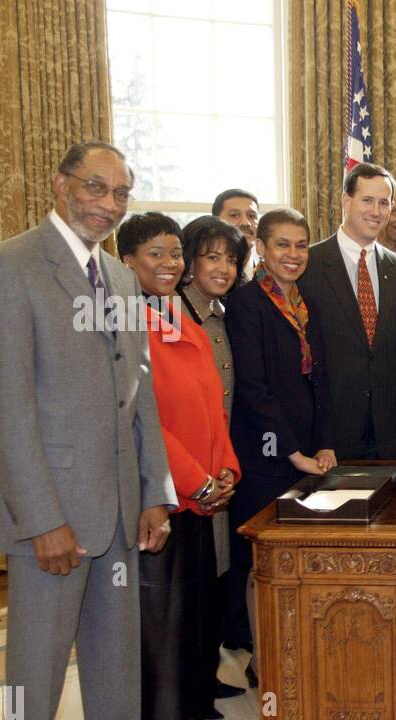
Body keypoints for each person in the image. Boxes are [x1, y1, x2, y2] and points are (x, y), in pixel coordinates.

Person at [0, 141, 180, 720]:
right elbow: (5, 407)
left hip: (121, 504)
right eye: (96, 187)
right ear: (60, 186)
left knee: (113, 650)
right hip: (51, 514)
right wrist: (41, 518)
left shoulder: (121, 277)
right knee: (36, 664)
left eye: (121, 192)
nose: (109, 203)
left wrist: (154, 492)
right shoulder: (9, 268)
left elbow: (139, 395)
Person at [119, 212, 241, 720]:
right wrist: (197, 479)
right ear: (126, 263)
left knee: (185, 614)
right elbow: (144, 420)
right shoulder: (123, 322)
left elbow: (212, 408)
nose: (168, 264)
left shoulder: (177, 317)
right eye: (155, 255)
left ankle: (173, 716)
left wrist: (227, 472)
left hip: (199, 493)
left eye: (174, 254)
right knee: (150, 621)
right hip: (159, 495)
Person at [225, 208, 336, 662]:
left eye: (301, 244)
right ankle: (265, 662)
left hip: (310, 456)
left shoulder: (307, 302)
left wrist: (325, 442)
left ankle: (297, 655)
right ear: (262, 248)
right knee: (263, 566)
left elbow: (323, 379)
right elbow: (253, 389)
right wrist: (292, 453)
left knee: (301, 564)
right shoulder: (246, 305)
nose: (293, 254)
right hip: (267, 456)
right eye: (282, 245)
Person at [299, 162, 396, 462]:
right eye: (367, 200)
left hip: (391, 434)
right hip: (327, 435)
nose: (376, 211)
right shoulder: (309, 266)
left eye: (384, 203)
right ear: (346, 201)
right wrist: (318, 435)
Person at [177, 216, 251, 664]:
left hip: (219, 468)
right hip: (185, 477)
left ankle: (201, 679)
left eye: (231, 259)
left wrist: (225, 467)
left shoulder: (224, 315)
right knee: (183, 588)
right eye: (212, 257)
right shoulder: (172, 316)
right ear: (190, 261)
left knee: (215, 574)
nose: (223, 268)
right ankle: (182, 690)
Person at [213, 188, 260, 280]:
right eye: (234, 215)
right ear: (216, 221)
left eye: (251, 216)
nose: (246, 223)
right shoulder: (199, 276)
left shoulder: (270, 278)